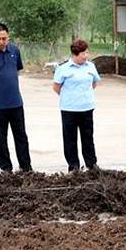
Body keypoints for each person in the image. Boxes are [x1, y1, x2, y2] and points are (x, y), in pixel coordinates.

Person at [0, 23, 32, 173]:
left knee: (21, 137)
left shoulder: (15, 50)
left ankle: (26, 168)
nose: (1, 41)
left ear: (8, 36)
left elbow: (16, 71)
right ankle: (6, 169)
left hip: (16, 103)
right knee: (1, 139)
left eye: (4, 38)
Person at [53, 39, 101, 172]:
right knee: (70, 139)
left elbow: (94, 83)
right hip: (69, 109)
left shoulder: (90, 66)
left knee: (88, 137)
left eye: (87, 52)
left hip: (87, 108)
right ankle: (73, 166)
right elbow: (56, 87)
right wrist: (70, 97)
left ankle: (91, 164)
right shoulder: (63, 68)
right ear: (75, 54)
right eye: (83, 53)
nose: (86, 56)